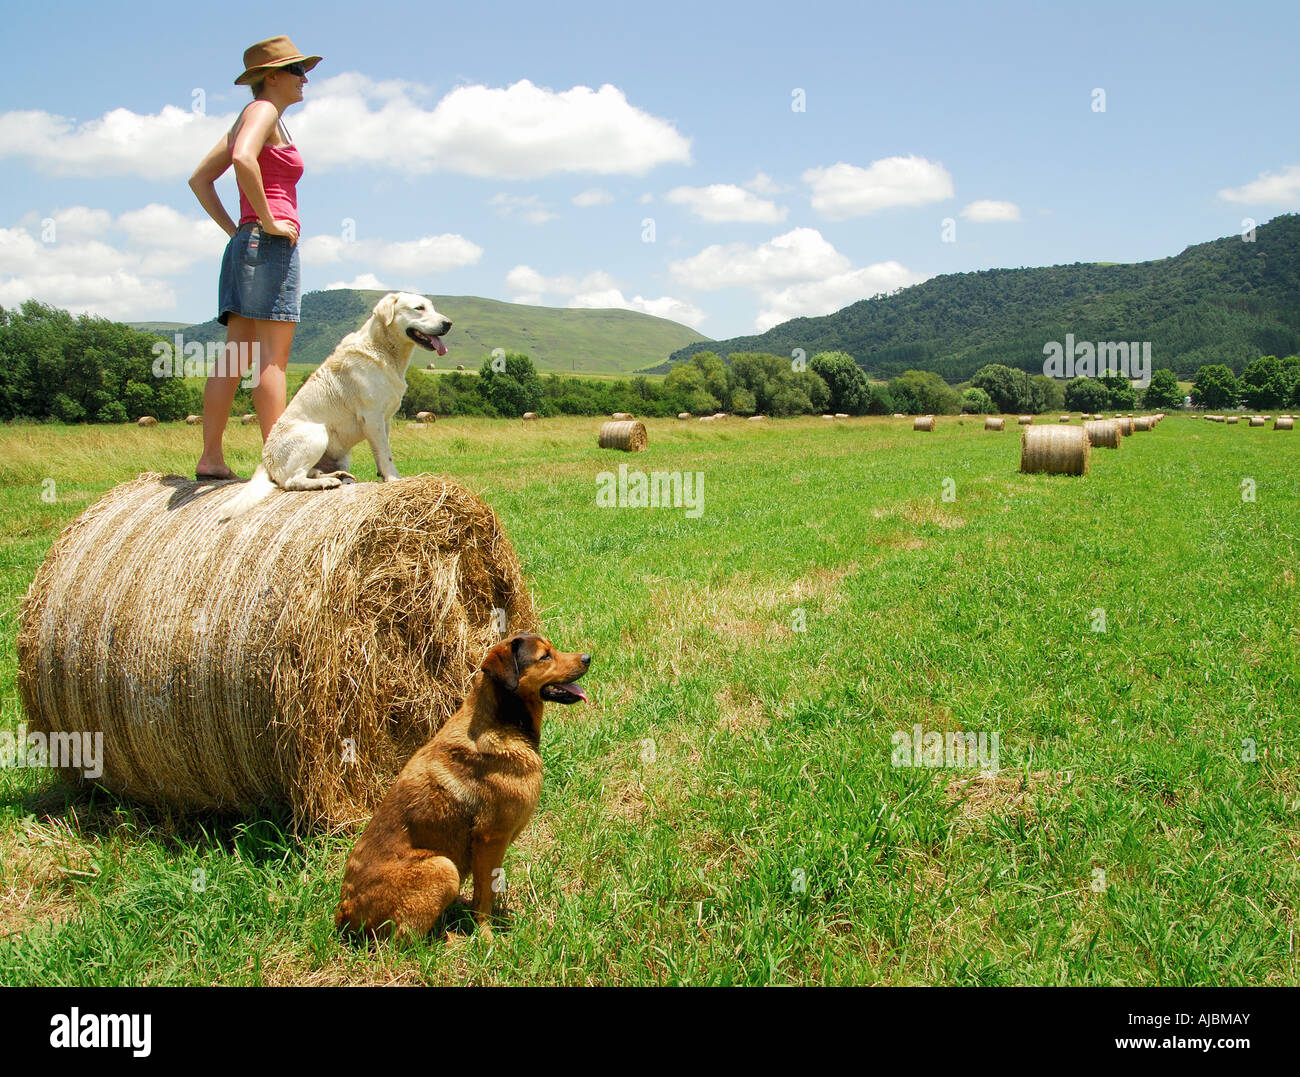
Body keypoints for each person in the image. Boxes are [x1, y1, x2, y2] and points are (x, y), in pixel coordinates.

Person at [189, 35, 321, 480]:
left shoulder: (253, 117)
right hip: (268, 245)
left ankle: (211, 458)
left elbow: (200, 179)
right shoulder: (263, 111)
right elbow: (243, 159)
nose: (305, 79)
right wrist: (267, 221)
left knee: (234, 357)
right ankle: (280, 465)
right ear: (271, 77)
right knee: (272, 358)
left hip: (247, 246)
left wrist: (239, 230)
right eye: (296, 71)